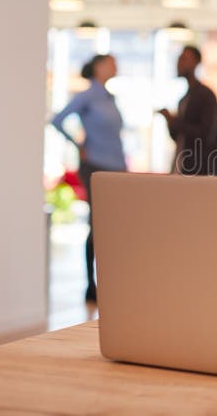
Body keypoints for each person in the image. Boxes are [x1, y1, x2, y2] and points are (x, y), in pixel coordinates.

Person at [51, 53, 127, 302]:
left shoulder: (108, 97)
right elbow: (58, 119)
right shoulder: (88, 96)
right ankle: (90, 285)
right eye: (110, 62)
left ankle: (115, 281)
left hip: (117, 168)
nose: (115, 66)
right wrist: (78, 144)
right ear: (98, 67)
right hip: (96, 166)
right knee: (98, 225)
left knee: (116, 227)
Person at [159, 45, 217, 176]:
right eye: (179, 59)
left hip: (204, 172)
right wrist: (170, 122)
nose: (179, 63)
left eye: (184, 59)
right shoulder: (183, 99)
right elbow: (181, 139)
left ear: (196, 62)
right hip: (184, 170)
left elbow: (206, 135)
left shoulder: (206, 95)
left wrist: (175, 121)